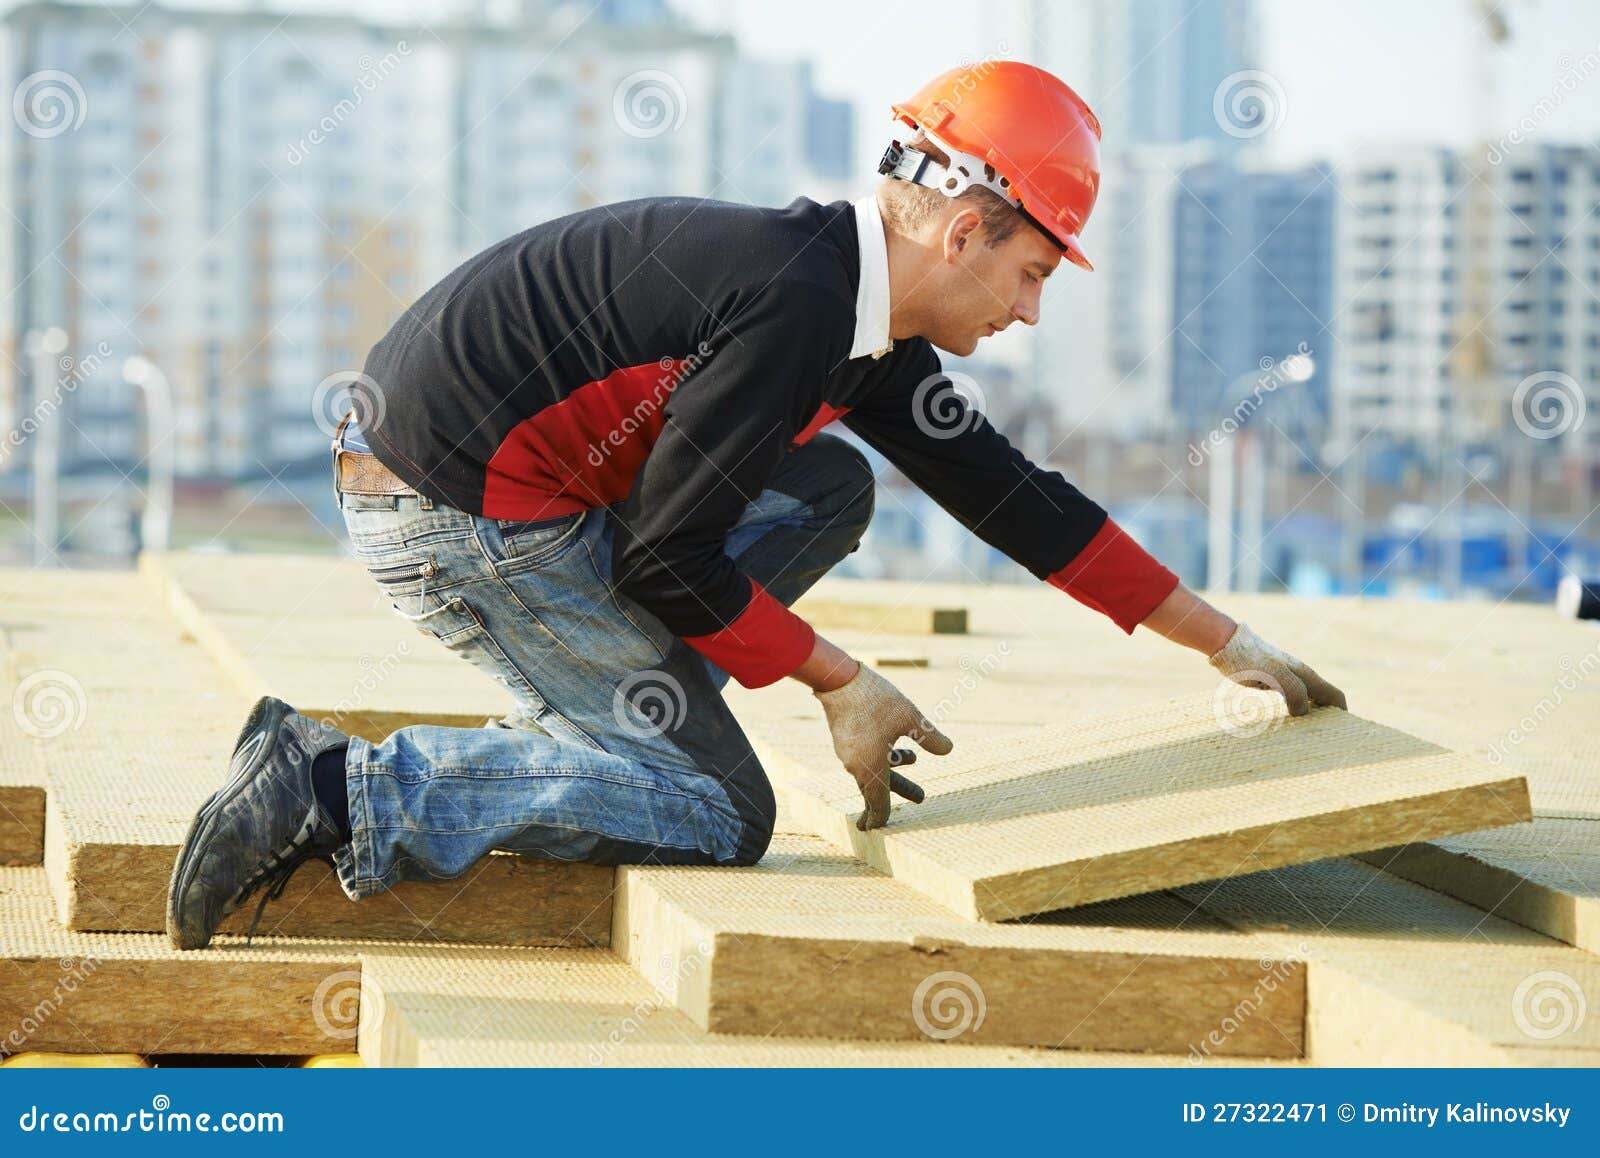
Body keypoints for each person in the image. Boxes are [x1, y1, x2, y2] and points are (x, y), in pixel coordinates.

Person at [168, 61, 1344, 950]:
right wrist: (838, 680)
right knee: (720, 813)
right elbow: (668, 561)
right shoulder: (795, 309)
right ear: (966, 227)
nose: (1030, 311)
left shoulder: (850, 313)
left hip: (505, 498)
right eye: (1033, 273)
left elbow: (1013, 499)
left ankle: (617, 724)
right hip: (453, 520)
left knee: (828, 486)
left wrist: (1226, 643)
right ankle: (332, 785)